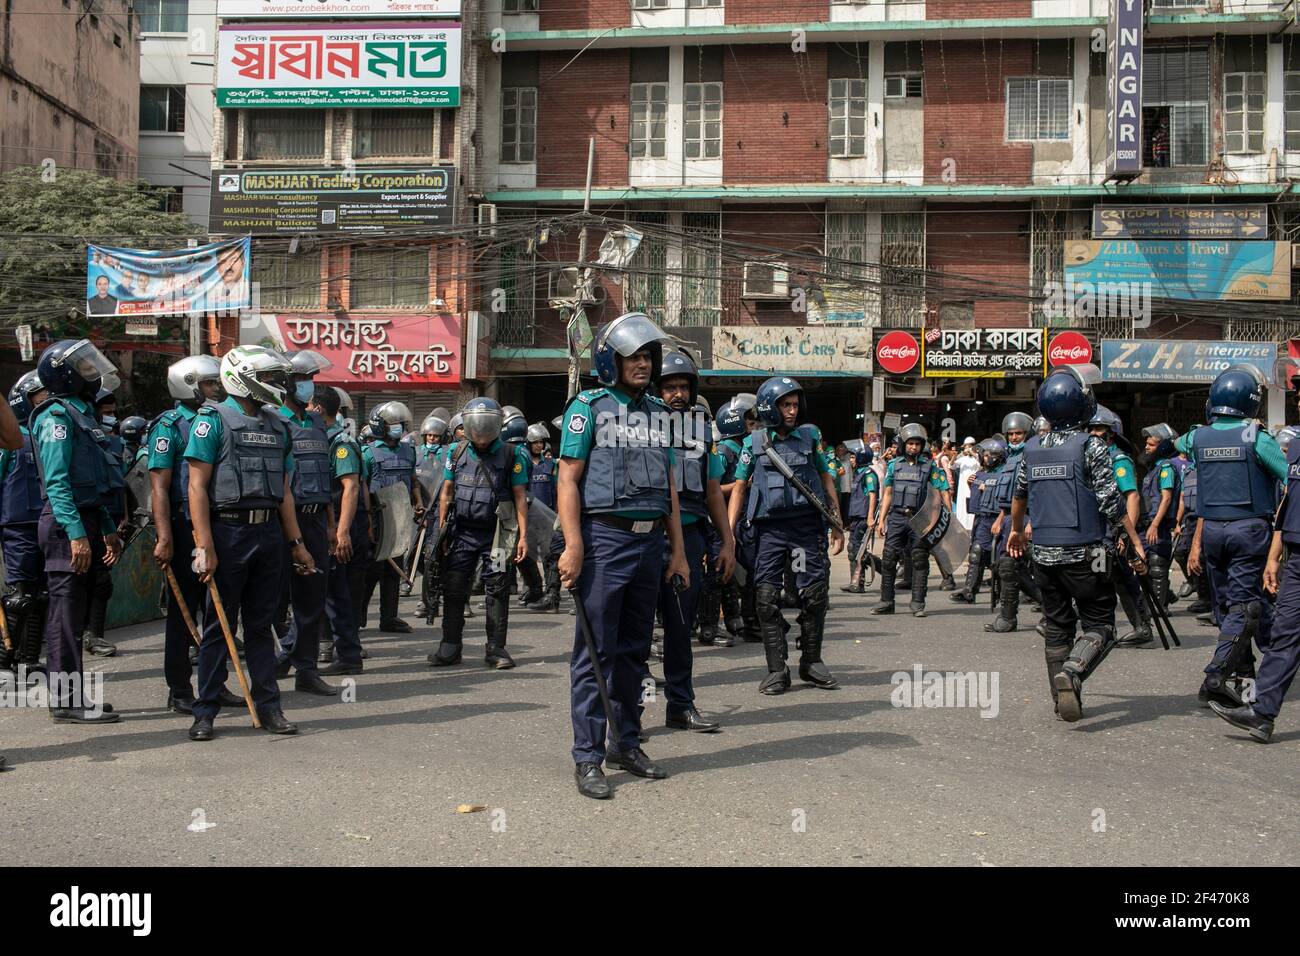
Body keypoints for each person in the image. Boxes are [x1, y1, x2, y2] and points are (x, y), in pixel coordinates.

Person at [557, 313, 692, 800]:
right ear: (610, 361)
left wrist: (677, 551)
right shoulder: (587, 407)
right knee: (596, 652)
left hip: (649, 543)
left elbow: (671, 490)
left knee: (636, 651)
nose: (642, 363)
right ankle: (588, 757)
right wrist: (574, 545)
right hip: (605, 541)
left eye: (647, 356)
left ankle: (627, 743)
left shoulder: (660, 412)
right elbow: (567, 479)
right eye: (633, 356)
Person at [184, 345, 316, 741]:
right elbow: (196, 486)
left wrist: (296, 542)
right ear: (244, 378)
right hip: (228, 533)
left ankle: (269, 707)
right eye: (270, 377)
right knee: (218, 630)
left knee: (261, 627)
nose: (279, 385)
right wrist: (204, 546)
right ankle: (204, 711)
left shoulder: (278, 426)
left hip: (269, 535)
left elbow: (286, 493)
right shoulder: (212, 421)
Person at [1008, 365, 1146, 723]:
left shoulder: (1031, 449)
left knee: (1056, 626)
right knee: (1101, 624)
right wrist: (1134, 542)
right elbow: (1111, 504)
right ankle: (1072, 672)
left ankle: (1061, 700)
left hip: (1044, 556)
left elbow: (1019, 497)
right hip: (1088, 554)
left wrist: (1017, 531)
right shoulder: (1093, 446)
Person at [1180, 364, 1288, 709]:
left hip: (1212, 531)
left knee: (1230, 608)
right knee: (1247, 607)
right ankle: (1216, 674)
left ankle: (1247, 685)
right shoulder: (1257, 437)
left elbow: (1176, 444)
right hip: (1250, 531)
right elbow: (1290, 477)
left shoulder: (1198, 436)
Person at [727, 376, 844, 694]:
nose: (792, 411)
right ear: (770, 407)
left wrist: (836, 522)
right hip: (770, 532)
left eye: (795, 404)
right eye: (785, 405)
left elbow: (826, 478)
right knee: (765, 599)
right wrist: (728, 532)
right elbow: (739, 488)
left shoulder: (810, 437)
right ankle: (777, 670)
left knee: (815, 595)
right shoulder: (754, 443)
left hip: (806, 530)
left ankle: (812, 662)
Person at [30, 340, 125, 723]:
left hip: (84, 520)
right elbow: (57, 482)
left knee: (76, 615)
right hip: (64, 524)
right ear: (65, 374)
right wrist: (76, 534)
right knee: (65, 618)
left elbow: (92, 482)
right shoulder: (55, 417)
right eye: (83, 366)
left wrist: (106, 530)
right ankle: (67, 702)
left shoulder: (80, 415)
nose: (92, 372)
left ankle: (75, 696)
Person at [146, 354, 244, 714]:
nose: (215, 389)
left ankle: (213, 685)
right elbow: (159, 487)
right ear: (187, 384)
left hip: (218, 524)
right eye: (208, 383)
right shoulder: (170, 426)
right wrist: (165, 537)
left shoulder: (219, 419)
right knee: (183, 612)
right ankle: (180, 688)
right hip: (184, 529)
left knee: (218, 611)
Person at [1211, 374, 1300, 741]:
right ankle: (1262, 714)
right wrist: (1275, 554)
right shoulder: (1296, 446)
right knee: (1284, 634)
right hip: (1296, 555)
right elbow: (1289, 501)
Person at [655, 351, 734, 729]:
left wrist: (728, 542)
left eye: (683, 386)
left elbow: (714, 491)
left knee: (680, 628)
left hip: (689, 536)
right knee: (635, 632)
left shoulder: (703, 432)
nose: (677, 394)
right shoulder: (637, 428)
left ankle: (680, 706)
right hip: (647, 538)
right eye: (669, 387)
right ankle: (629, 715)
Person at [428, 398, 529, 669]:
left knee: (497, 589)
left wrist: (522, 537)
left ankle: (496, 649)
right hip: (462, 535)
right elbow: (446, 493)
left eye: (487, 427)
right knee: (454, 588)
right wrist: (441, 533)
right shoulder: (456, 452)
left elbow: (520, 497)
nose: (481, 434)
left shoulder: (512, 454)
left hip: (496, 536)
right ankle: (449, 647)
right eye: (477, 427)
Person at [270, 349, 338, 696]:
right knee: (271, 601)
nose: (309, 386)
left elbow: (324, 477)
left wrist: (329, 524)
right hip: (283, 524)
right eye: (302, 379)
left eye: (311, 379)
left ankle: (306, 670)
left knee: (312, 599)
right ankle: (275, 661)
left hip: (314, 521)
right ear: (285, 383)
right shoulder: (274, 422)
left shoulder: (316, 424)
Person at [311, 384, 367, 674]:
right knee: (330, 594)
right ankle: (346, 652)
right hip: (323, 526)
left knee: (333, 593)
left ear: (318, 408)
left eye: (308, 406)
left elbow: (351, 487)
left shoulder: (341, 443)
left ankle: (346, 653)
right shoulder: (319, 438)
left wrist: (342, 532)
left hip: (336, 530)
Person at [1087, 406, 1153, 649]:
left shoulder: (1118, 459)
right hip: (1097, 531)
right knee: (1107, 577)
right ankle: (1123, 627)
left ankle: (1141, 627)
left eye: (1099, 429)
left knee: (1113, 577)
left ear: (1111, 433)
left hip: (1113, 531)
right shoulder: (1093, 458)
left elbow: (1131, 497)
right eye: (1090, 428)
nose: (1093, 433)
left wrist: (1128, 533)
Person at [0, 372, 50, 678]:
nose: (44, 400)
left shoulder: (46, 434)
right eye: (37, 396)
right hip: (15, 526)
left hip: (43, 523)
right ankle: (4, 662)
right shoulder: (9, 441)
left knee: (41, 596)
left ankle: (30, 658)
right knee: (20, 596)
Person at [872, 423, 950, 618]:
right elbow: (888, 494)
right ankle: (886, 601)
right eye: (910, 443)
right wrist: (881, 520)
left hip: (920, 519)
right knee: (889, 559)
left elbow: (942, 492)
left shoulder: (930, 467)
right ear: (904, 444)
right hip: (897, 518)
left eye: (917, 444)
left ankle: (917, 603)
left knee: (919, 560)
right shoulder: (894, 465)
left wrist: (940, 519)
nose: (913, 447)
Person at [361, 401, 422, 634]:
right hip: (377, 519)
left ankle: (389, 617)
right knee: (371, 570)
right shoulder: (368, 452)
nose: (398, 428)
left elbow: (413, 480)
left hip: (400, 516)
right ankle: (359, 616)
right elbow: (362, 488)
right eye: (392, 424)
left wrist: (419, 503)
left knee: (393, 569)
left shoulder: (409, 450)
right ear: (380, 426)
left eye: (400, 424)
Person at [986, 411, 1043, 633]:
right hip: (1011, 519)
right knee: (1008, 567)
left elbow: (1039, 493)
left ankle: (1049, 608)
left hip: (1029, 518)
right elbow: (1010, 496)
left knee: (1026, 567)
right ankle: (1008, 617)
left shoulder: (1034, 455)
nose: (1014, 437)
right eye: (1010, 434)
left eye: (1018, 433)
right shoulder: (1009, 458)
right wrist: (1001, 518)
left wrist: (1031, 523)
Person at [80, 388, 123, 658]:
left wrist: (110, 526)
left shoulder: (102, 442)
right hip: (71, 518)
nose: (110, 417)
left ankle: (94, 635)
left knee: (101, 581)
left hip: (99, 515)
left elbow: (120, 485)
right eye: (105, 412)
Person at [713, 393, 758, 642]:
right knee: (725, 574)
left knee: (751, 572)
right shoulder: (725, 450)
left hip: (748, 520)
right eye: (750, 423)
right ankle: (731, 620)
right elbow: (713, 489)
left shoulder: (747, 448)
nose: (756, 428)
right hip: (728, 521)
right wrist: (742, 485)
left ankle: (750, 621)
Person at [952, 436, 1006, 604]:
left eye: (991, 455)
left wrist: (989, 488)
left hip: (999, 518)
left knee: (1002, 559)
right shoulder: (981, 473)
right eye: (985, 454)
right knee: (976, 553)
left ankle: (1005, 593)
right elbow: (977, 496)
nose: (987, 457)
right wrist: (971, 485)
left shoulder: (1005, 473)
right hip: (982, 518)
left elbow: (1010, 499)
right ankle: (969, 590)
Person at [1139, 423, 1181, 611]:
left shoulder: (1166, 468)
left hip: (1158, 526)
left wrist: (1155, 525)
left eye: (1152, 444)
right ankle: (1167, 595)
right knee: (1143, 565)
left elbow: (1167, 498)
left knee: (1157, 566)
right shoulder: (1153, 468)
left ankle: (1158, 608)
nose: (1146, 447)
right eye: (1146, 443)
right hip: (1147, 524)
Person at [841, 440, 878, 594]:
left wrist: (870, 518)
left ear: (861, 457)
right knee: (854, 550)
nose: (851, 460)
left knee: (857, 551)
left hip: (863, 518)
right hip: (856, 518)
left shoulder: (869, 474)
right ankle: (854, 582)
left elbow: (872, 495)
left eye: (853, 457)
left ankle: (858, 583)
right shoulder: (858, 474)